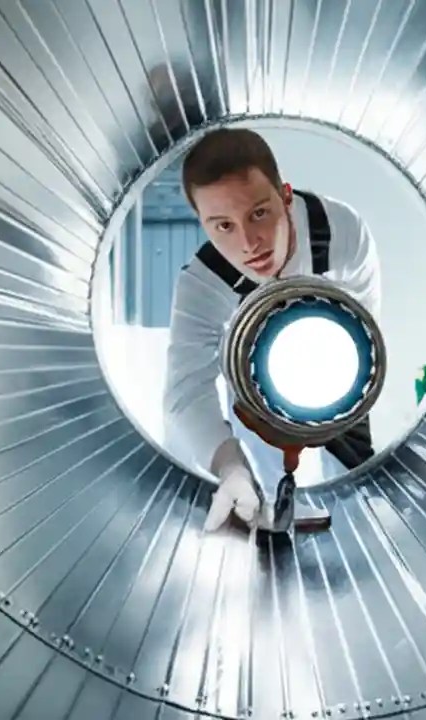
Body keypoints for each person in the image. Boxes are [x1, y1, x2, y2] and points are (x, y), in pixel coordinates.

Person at [162, 128, 383, 532]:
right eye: (222, 226)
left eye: (258, 213)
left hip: (326, 359)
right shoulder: (204, 284)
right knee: (251, 441)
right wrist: (228, 465)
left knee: (359, 487)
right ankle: (266, 498)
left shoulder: (340, 232)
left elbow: (362, 323)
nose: (249, 243)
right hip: (253, 380)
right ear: (202, 224)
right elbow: (185, 390)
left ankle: (360, 513)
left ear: (285, 195)